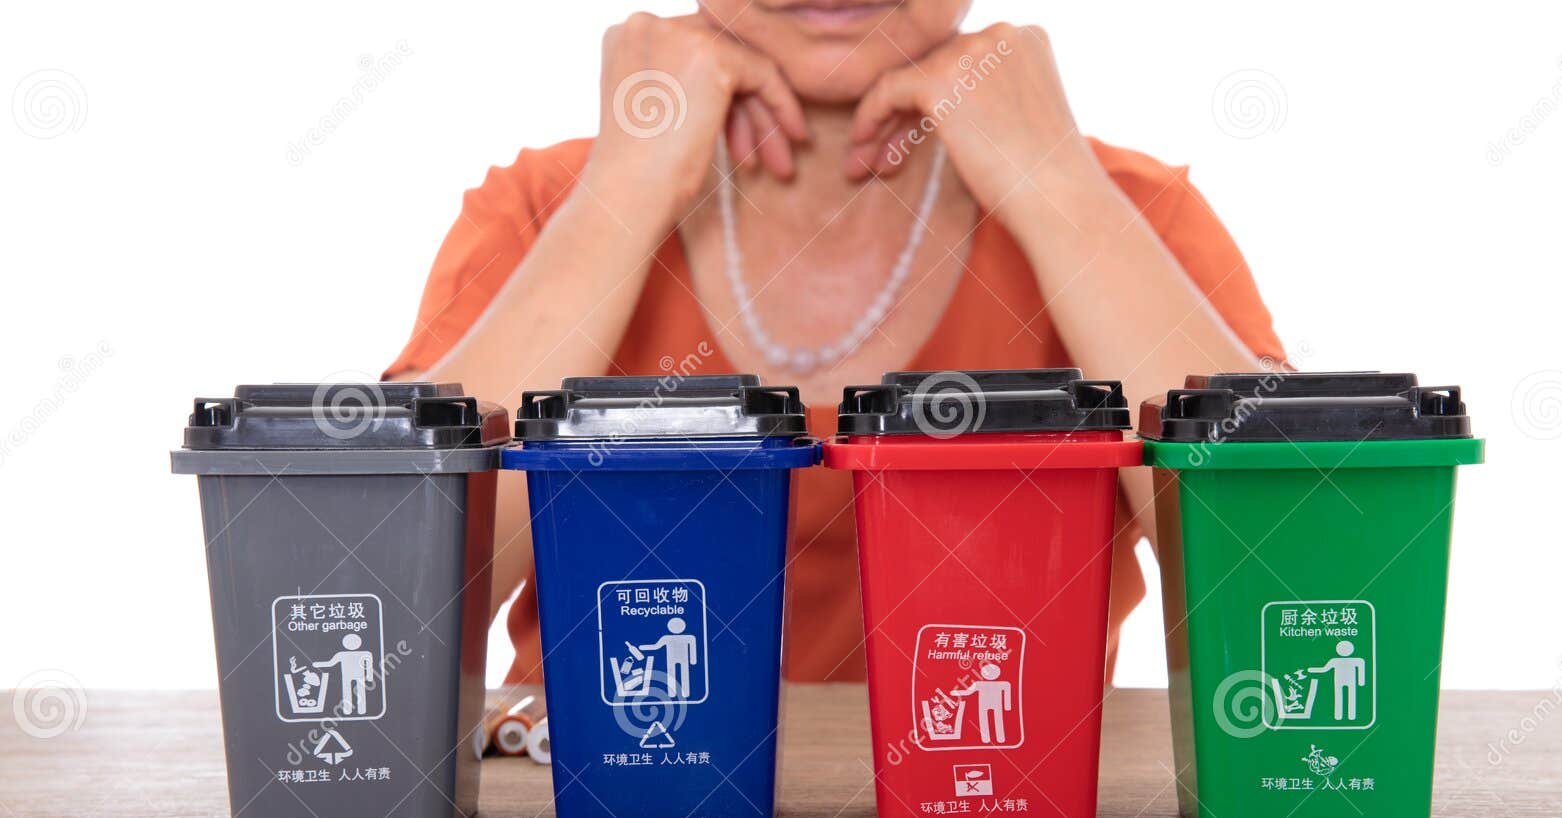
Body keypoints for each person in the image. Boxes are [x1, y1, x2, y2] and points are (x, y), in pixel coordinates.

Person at [385, 3, 1286, 685]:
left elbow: (1282, 595)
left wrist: (1057, 189)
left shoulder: (1131, 218)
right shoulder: (547, 213)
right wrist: (626, 185)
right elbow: (395, 613)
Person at [950, 662, 1012, 744]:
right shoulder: (980, 684)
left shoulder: (1002, 684)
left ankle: (996, 738)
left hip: (989, 705)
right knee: (993, 720)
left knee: (991, 720)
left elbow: (968, 692)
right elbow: (968, 692)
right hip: (989, 705)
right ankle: (994, 739)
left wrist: (1007, 706)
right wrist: (956, 693)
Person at [637, 617, 699, 698]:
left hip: (683, 659)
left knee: (684, 674)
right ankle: (672, 692)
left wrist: (693, 659)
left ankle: (684, 692)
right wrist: (642, 647)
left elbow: (692, 647)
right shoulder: (667, 638)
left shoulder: (688, 637)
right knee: (672, 675)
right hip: (671, 659)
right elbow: (656, 646)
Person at [1310, 640, 1366, 721]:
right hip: (1339, 682)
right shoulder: (1334, 661)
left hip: (1348, 682)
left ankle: (1351, 716)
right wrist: (1311, 670)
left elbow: (1361, 667)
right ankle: (1339, 716)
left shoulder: (1356, 660)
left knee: (1350, 696)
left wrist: (1361, 681)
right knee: (1339, 696)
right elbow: (1324, 669)